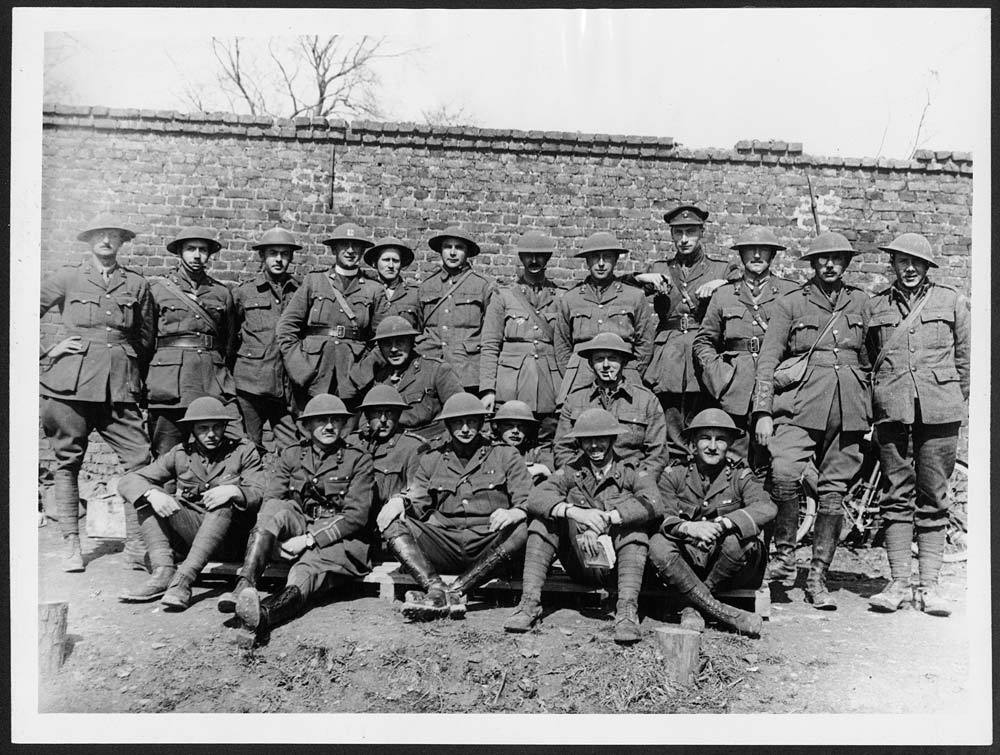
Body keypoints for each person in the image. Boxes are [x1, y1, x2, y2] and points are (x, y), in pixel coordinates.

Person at [753, 232, 871, 609]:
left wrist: (872, 409)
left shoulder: (862, 302)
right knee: (784, 474)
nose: (830, 265)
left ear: (846, 263)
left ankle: (818, 576)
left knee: (833, 491)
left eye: (837, 258)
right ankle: (784, 556)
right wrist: (763, 411)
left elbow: (872, 359)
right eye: (823, 258)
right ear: (813, 263)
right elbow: (768, 361)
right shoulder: (791, 302)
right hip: (799, 405)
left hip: (849, 407)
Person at [40, 215, 154, 571]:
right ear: (89, 240)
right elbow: (20, 310)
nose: (106, 240)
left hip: (119, 384)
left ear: (122, 242)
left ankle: (137, 545)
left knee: (139, 460)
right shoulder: (69, 277)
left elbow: (145, 339)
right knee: (68, 461)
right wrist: (47, 350)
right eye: (99, 235)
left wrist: (135, 378)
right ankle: (72, 546)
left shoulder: (136, 284)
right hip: (70, 384)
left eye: (113, 235)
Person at [863, 233, 970, 616]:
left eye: (917, 262)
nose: (909, 268)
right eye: (902, 261)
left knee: (934, 496)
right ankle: (898, 584)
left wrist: (950, 398)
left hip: (939, 412)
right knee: (895, 494)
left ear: (927, 266)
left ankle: (930, 587)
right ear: (892, 264)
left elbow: (967, 360)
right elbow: (868, 358)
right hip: (893, 409)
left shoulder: (951, 301)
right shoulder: (875, 305)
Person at [223, 394, 374, 645]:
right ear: (307, 425)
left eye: (335, 420)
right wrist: (274, 544)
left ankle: (262, 617)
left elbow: (356, 516)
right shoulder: (293, 454)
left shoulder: (357, 458)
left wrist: (308, 539)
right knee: (274, 509)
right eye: (321, 420)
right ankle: (244, 585)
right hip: (300, 523)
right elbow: (272, 498)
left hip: (340, 540)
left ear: (343, 424)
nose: (329, 426)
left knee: (304, 572)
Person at [504, 408, 664, 644]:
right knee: (542, 522)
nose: (594, 446)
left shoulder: (631, 470)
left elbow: (653, 502)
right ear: (579, 442)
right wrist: (576, 512)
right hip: (579, 563)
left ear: (612, 439)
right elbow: (536, 497)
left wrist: (609, 518)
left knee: (635, 530)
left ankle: (627, 611)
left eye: (601, 439)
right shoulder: (573, 470)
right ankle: (529, 604)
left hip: (620, 569)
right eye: (587, 440)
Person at [377, 393, 533, 621]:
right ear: (448, 425)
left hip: (488, 544)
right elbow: (417, 499)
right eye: (458, 422)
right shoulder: (432, 458)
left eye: (471, 421)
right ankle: (434, 586)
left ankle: (455, 591)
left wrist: (515, 511)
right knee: (392, 522)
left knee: (528, 525)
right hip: (445, 544)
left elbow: (528, 498)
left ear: (481, 423)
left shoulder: (505, 454)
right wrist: (400, 500)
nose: (465, 429)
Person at [117, 397, 265, 608]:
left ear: (224, 427)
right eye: (203, 428)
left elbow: (259, 492)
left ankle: (183, 581)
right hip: (193, 535)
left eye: (216, 427)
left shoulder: (243, 450)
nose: (211, 434)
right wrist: (151, 493)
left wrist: (235, 491)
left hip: (232, 540)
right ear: (192, 430)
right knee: (147, 496)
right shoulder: (181, 453)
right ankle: (163, 572)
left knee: (223, 502)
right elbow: (129, 480)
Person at [647, 409, 773, 637]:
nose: (712, 446)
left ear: (730, 444)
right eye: (705, 438)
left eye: (720, 439)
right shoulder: (675, 474)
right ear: (693, 443)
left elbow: (766, 507)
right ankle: (724, 613)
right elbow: (662, 515)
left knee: (740, 541)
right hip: (689, 559)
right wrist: (689, 528)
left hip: (728, 567)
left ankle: (692, 605)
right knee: (657, 544)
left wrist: (724, 524)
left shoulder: (740, 475)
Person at [629, 204, 739, 458]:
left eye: (690, 232)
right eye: (678, 232)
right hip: (669, 353)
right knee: (670, 412)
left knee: (705, 409)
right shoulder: (660, 268)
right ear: (671, 235)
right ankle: (676, 463)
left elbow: (745, 283)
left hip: (704, 350)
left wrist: (722, 284)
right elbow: (619, 289)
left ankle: (702, 461)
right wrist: (641, 278)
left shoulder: (720, 270)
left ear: (702, 233)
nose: (684, 239)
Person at [692, 226, 799, 473]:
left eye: (764, 250)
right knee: (734, 458)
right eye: (751, 250)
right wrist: (719, 375)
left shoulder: (790, 292)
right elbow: (704, 340)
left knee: (773, 459)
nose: (757, 256)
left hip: (776, 386)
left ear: (773, 255)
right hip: (735, 389)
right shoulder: (725, 294)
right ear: (741, 255)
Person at [146, 226, 239, 457]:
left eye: (203, 250)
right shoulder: (158, 290)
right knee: (167, 450)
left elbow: (228, 343)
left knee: (217, 448)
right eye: (190, 249)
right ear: (179, 252)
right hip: (169, 383)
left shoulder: (221, 293)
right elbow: (145, 339)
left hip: (209, 380)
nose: (197, 255)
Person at [275, 222, 386, 405]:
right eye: (344, 245)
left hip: (351, 377)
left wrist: (361, 375)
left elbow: (383, 340)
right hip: (314, 375)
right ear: (334, 249)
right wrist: (301, 370)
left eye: (356, 245)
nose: (350, 250)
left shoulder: (373, 289)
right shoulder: (314, 281)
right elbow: (286, 329)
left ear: (362, 251)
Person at [479, 231, 565, 441]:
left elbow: (566, 348)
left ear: (547, 258)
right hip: (511, 386)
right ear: (521, 258)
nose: (534, 261)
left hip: (549, 388)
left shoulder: (561, 297)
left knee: (546, 440)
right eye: (528, 255)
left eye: (539, 256)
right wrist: (488, 390)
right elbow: (490, 345)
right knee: (508, 442)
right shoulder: (503, 296)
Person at [554, 231, 655, 402]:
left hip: (624, 374)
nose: (601, 263)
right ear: (587, 261)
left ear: (615, 260)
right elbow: (562, 345)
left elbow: (645, 342)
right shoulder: (571, 299)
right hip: (580, 377)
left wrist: (631, 370)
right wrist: (573, 372)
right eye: (595, 257)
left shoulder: (634, 297)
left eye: (607, 257)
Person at [554, 333, 667, 479]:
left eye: (612, 358)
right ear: (591, 364)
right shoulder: (575, 400)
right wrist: (581, 479)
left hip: (631, 481)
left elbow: (657, 454)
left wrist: (639, 481)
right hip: (585, 481)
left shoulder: (646, 400)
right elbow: (562, 449)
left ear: (624, 362)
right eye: (599, 359)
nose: (606, 365)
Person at [232, 227, 301, 456]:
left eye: (284, 254)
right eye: (273, 253)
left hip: (287, 385)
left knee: (292, 448)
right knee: (248, 447)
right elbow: (230, 338)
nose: (279, 259)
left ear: (291, 257)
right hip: (250, 384)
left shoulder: (300, 292)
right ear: (262, 256)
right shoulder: (244, 293)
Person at [344, 315, 464, 442]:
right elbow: (366, 419)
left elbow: (460, 413)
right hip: (389, 445)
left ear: (411, 342)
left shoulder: (436, 370)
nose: (394, 349)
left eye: (400, 342)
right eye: (387, 344)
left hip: (428, 443)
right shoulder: (380, 376)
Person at [415, 224, 498, 393]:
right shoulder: (426, 286)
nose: (452, 253)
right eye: (447, 247)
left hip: (467, 374)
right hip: (431, 370)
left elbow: (491, 337)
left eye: (459, 248)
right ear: (441, 251)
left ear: (467, 252)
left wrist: (488, 384)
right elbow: (417, 328)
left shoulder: (483, 286)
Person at [356, 384, 429, 557]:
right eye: (376, 413)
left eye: (389, 413)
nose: (383, 419)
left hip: (390, 534)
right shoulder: (353, 444)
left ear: (398, 415)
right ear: (367, 415)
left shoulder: (412, 447)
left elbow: (420, 493)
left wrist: (401, 501)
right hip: (356, 531)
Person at [362, 236, 420, 329]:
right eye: (386, 260)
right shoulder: (366, 291)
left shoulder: (414, 293)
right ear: (375, 263)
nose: (391, 265)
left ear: (401, 264)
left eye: (395, 261)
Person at [491, 400, 555, 483]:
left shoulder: (534, 453)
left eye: (521, 426)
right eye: (509, 425)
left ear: (528, 429)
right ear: (499, 427)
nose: (515, 431)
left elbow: (556, 470)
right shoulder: (489, 452)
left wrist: (544, 469)